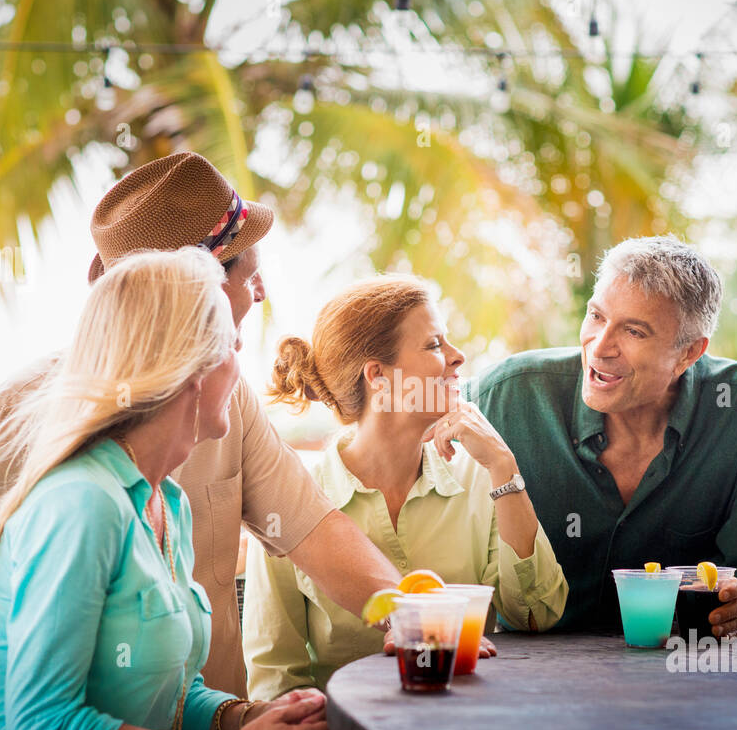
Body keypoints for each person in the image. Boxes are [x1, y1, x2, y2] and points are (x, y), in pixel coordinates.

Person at [0, 152, 403, 696]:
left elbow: (316, 533)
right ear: (189, 289)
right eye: (248, 274)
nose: (260, 293)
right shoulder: (27, 415)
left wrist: (417, 621)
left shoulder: (226, 406)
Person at [0, 248, 372, 730]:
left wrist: (256, 722)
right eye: (233, 349)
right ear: (191, 368)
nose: (240, 370)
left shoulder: (164, 504)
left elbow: (175, 697)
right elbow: (43, 728)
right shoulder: (81, 504)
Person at [243, 276, 567, 700]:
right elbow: (275, 681)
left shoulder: (478, 478)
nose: (457, 357)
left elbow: (534, 616)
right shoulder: (293, 501)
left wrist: (504, 469)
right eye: (434, 345)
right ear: (378, 376)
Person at [466, 236, 737, 638]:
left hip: (684, 674)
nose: (601, 346)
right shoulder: (505, 395)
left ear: (688, 353)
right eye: (596, 316)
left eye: (634, 331)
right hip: (528, 673)